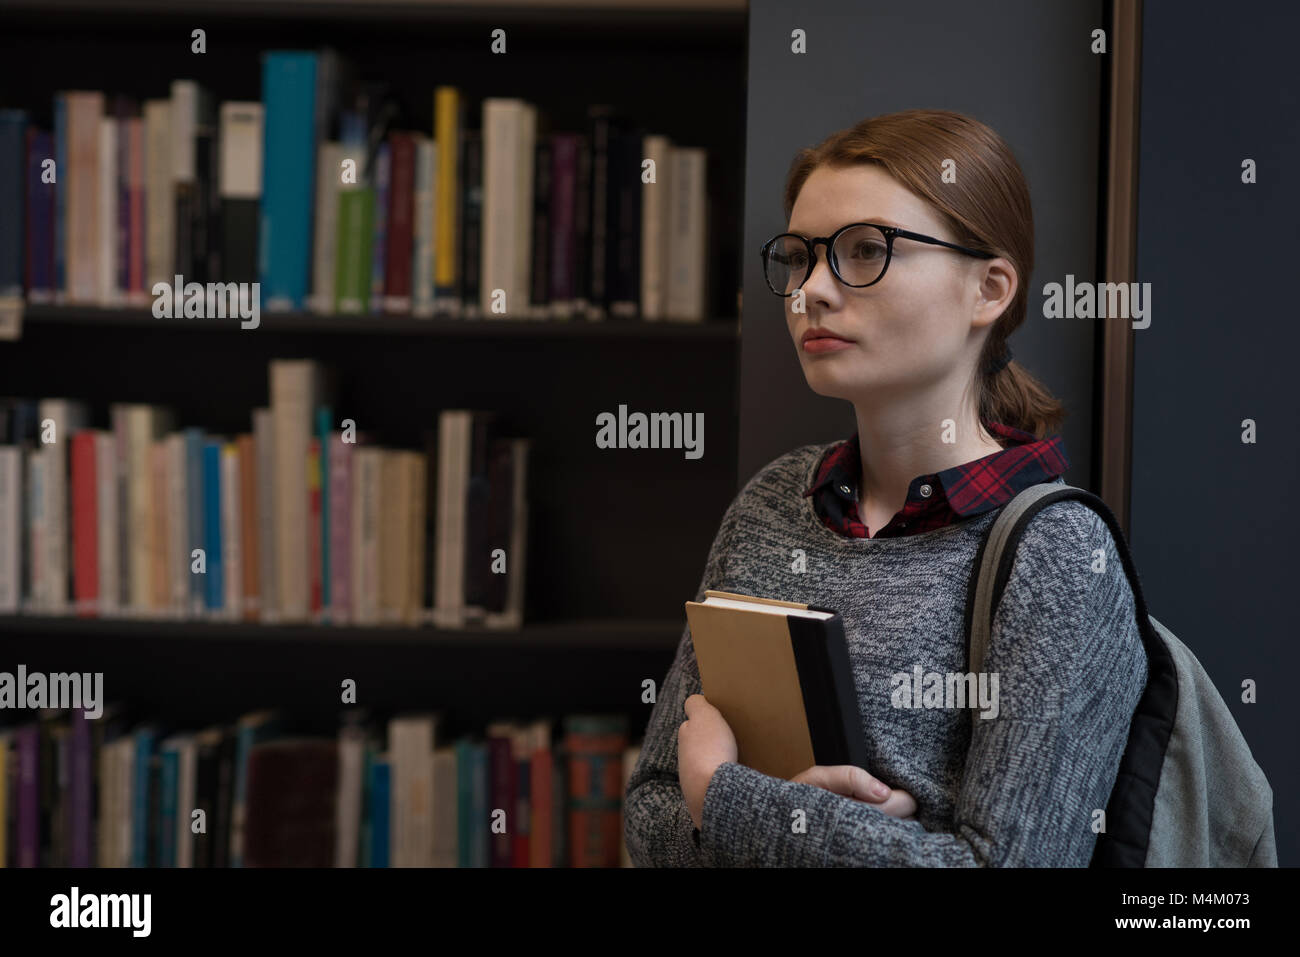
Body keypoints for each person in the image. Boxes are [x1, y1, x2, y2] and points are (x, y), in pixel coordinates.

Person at [623, 108, 1148, 867]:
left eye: (865, 250)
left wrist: (727, 797)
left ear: (989, 289)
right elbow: (648, 814)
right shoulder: (773, 502)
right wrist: (863, 832)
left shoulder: (1059, 554)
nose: (812, 292)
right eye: (799, 258)